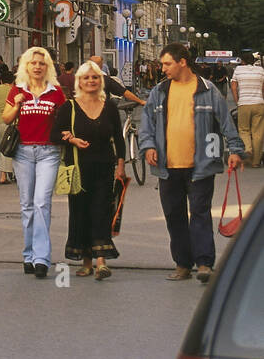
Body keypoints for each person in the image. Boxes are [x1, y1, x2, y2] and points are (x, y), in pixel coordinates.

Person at [138, 43, 244, 283]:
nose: (163, 68)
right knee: (174, 216)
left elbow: (226, 121)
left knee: (200, 213)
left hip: (201, 164)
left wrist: (235, 150)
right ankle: (182, 264)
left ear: (182, 62)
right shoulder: (159, 91)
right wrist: (149, 146)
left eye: (167, 63)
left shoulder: (207, 90)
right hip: (167, 167)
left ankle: (204, 263)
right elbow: (147, 124)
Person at [57, 61, 125, 280]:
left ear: (100, 81)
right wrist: (72, 139)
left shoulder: (110, 106)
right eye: (86, 77)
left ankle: (101, 263)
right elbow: (55, 134)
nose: (90, 81)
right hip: (77, 168)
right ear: (79, 81)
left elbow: (119, 139)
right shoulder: (69, 106)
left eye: (94, 77)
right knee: (80, 214)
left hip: (105, 167)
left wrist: (121, 165)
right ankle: (86, 262)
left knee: (101, 212)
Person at [3, 46, 66, 278]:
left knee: (41, 202)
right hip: (23, 152)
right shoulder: (17, 90)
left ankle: (41, 258)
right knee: (27, 205)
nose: (37, 67)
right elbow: (6, 117)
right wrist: (18, 103)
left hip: (49, 152)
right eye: (33, 63)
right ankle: (28, 255)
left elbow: (65, 118)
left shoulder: (56, 92)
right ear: (26, 66)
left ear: (47, 67)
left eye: (41, 63)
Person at [230, 53, 264, 167]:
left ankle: (248, 149)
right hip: (259, 103)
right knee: (258, 133)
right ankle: (256, 162)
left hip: (244, 103)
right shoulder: (260, 70)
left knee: (244, 130)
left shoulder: (238, 70)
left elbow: (234, 86)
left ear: (242, 61)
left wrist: (237, 101)